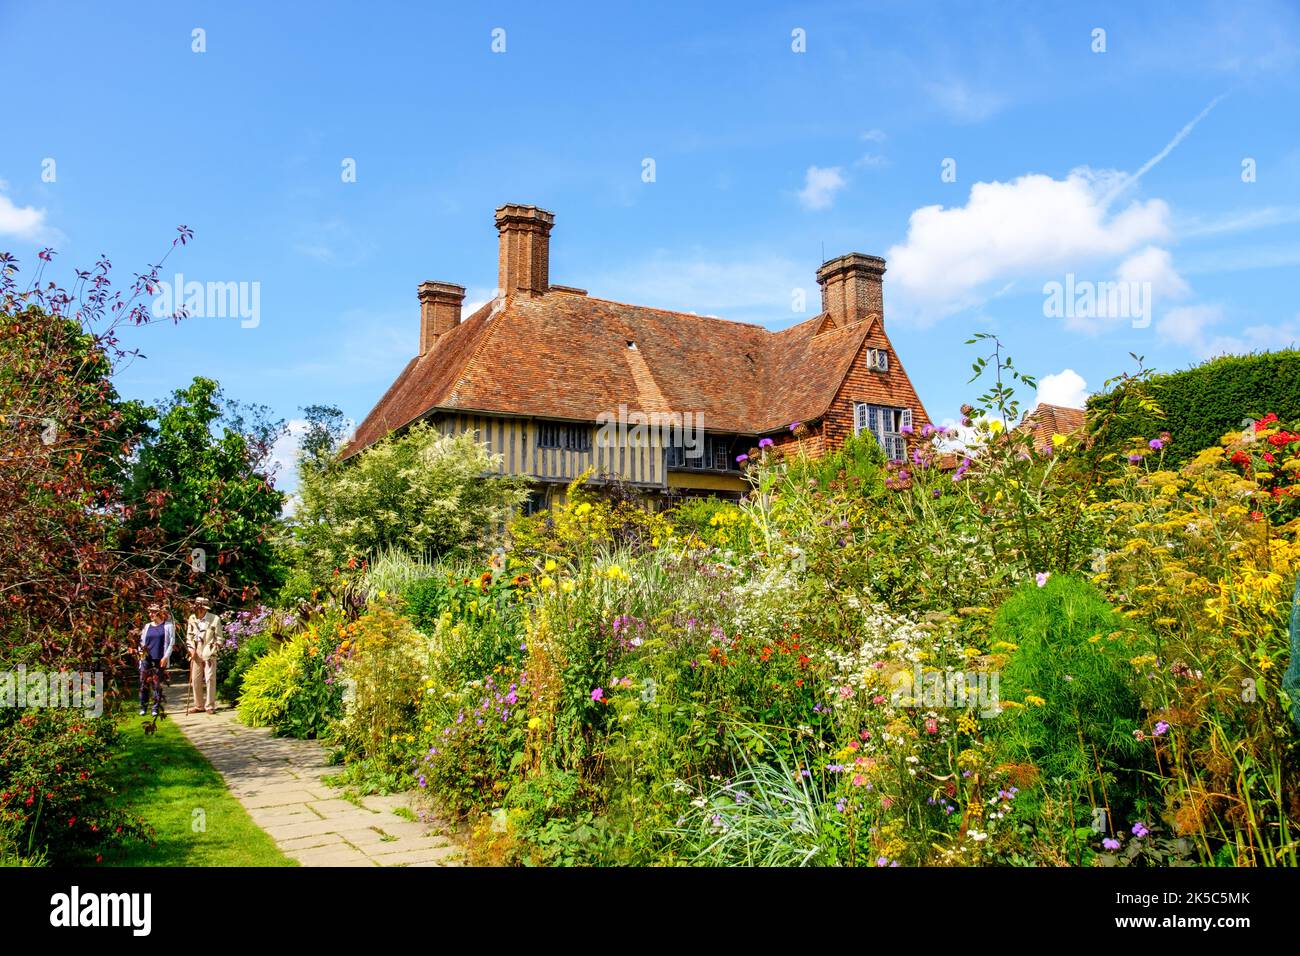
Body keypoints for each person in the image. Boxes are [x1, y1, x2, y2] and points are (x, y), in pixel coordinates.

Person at [186, 597, 222, 714]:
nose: (200, 611)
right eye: (198, 608)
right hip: (195, 651)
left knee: (210, 678)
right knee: (195, 679)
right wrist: (191, 648)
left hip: (209, 650)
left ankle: (210, 706)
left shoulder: (215, 619)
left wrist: (214, 649)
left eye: (202, 608)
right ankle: (199, 705)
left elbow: (220, 638)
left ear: (206, 608)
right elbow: (189, 636)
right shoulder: (192, 618)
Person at [138, 604, 175, 717]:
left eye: (153, 612)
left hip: (160, 659)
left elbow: (171, 643)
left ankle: (155, 708)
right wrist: (140, 656)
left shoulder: (168, 626)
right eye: (149, 612)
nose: (150, 614)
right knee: (143, 682)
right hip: (146, 659)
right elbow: (141, 642)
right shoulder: (147, 626)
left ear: (159, 613)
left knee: (156, 684)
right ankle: (143, 707)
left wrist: (165, 657)